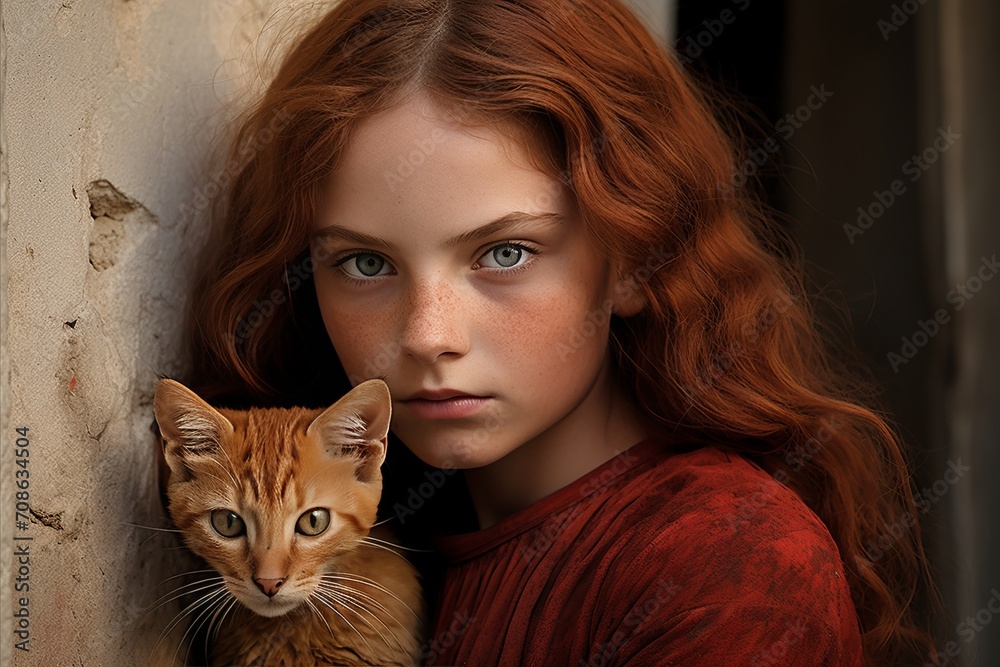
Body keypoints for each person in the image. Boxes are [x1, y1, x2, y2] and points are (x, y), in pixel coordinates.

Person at [182, 0, 943, 664]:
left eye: (505, 253)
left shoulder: (731, 568)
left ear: (637, 257)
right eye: (365, 262)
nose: (428, 335)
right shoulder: (346, 540)